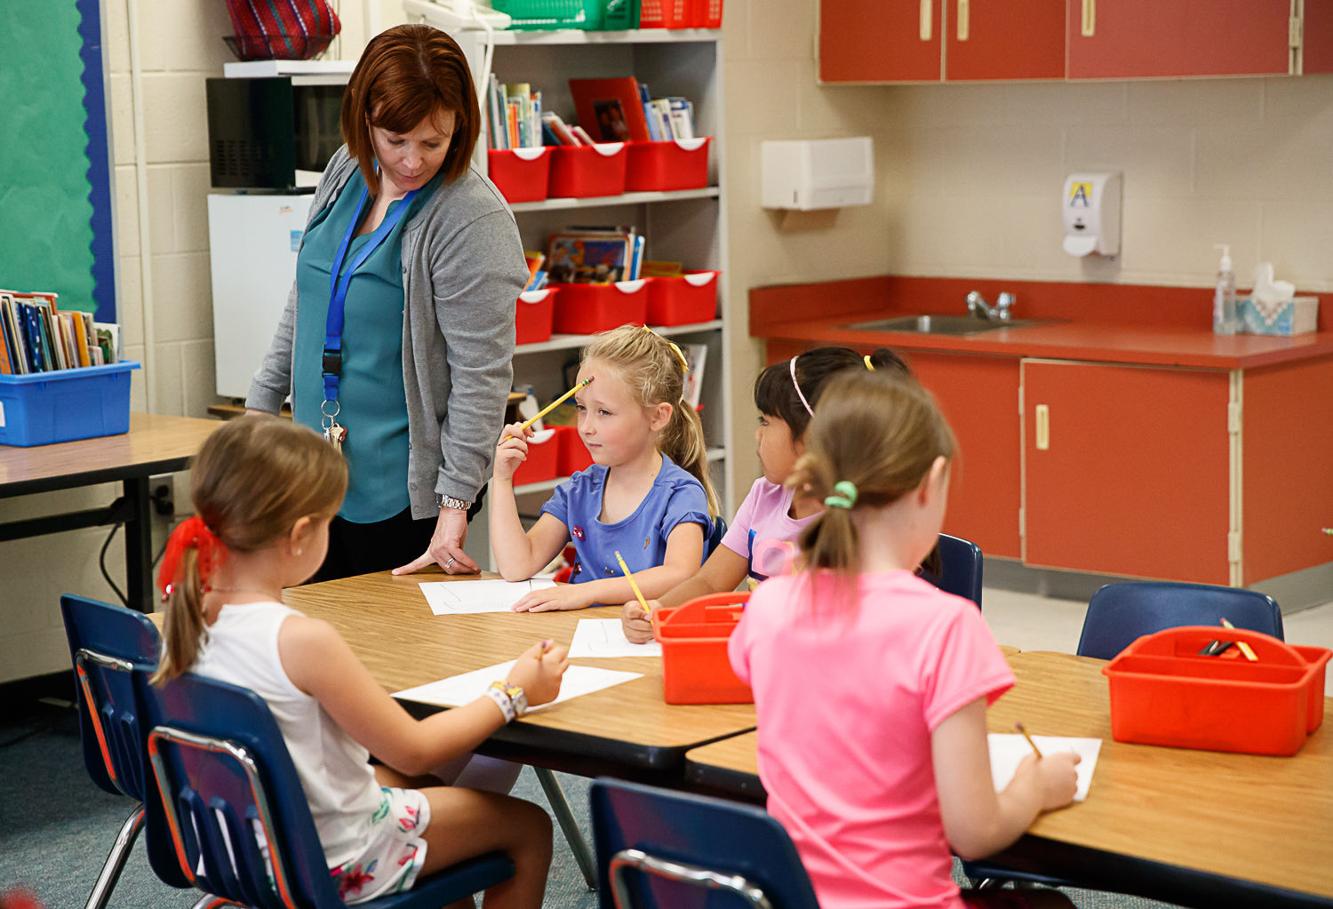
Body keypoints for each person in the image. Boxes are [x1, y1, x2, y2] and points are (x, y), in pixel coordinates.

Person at [154, 416, 566, 907]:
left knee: (423, 796)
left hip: (236, 842)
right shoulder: (300, 638)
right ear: (301, 534)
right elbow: (413, 749)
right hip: (326, 857)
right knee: (529, 827)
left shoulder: (184, 616)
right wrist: (514, 691)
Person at [728, 371, 1079, 909]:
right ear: (930, 484)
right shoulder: (947, 626)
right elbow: (974, 833)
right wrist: (1037, 786)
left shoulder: (769, 605)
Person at [246, 24, 527, 582]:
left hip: (405, 498)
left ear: (460, 128)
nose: (412, 160)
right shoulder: (346, 171)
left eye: (433, 141)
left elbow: (481, 377)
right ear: (364, 119)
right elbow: (308, 297)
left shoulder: (471, 217)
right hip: (312, 476)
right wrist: (259, 408)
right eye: (394, 139)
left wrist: (453, 507)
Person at [621, 346, 909, 643]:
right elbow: (709, 582)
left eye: (766, 422)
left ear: (815, 438)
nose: (758, 434)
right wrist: (658, 609)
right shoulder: (764, 494)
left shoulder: (862, 523)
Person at [490, 325, 718, 612]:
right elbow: (516, 565)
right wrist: (502, 478)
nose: (585, 428)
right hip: (583, 639)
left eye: (604, 412)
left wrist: (586, 592)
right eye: (582, 408)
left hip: (645, 642)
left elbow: (681, 574)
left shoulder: (680, 494)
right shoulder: (580, 489)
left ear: (658, 417)